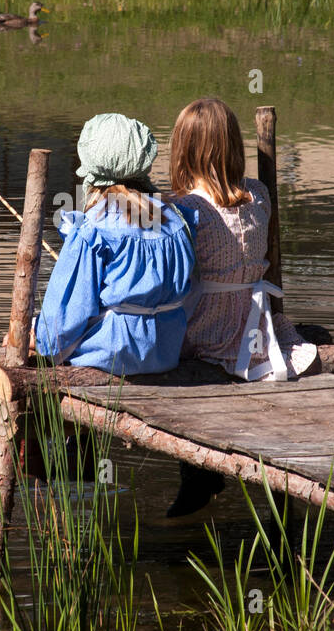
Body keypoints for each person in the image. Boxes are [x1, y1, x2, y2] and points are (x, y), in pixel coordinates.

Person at [164, 97, 319, 515]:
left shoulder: (185, 209)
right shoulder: (260, 193)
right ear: (233, 145)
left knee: (168, 361)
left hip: (210, 327)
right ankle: (204, 475)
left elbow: (175, 277)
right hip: (257, 322)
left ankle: (197, 472)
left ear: (184, 149)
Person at [33, 113, 198, 375]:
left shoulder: (93, 228)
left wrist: (38, 337)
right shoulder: (178, 221)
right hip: (166, 354)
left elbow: (62, 321)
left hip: (111, 357)